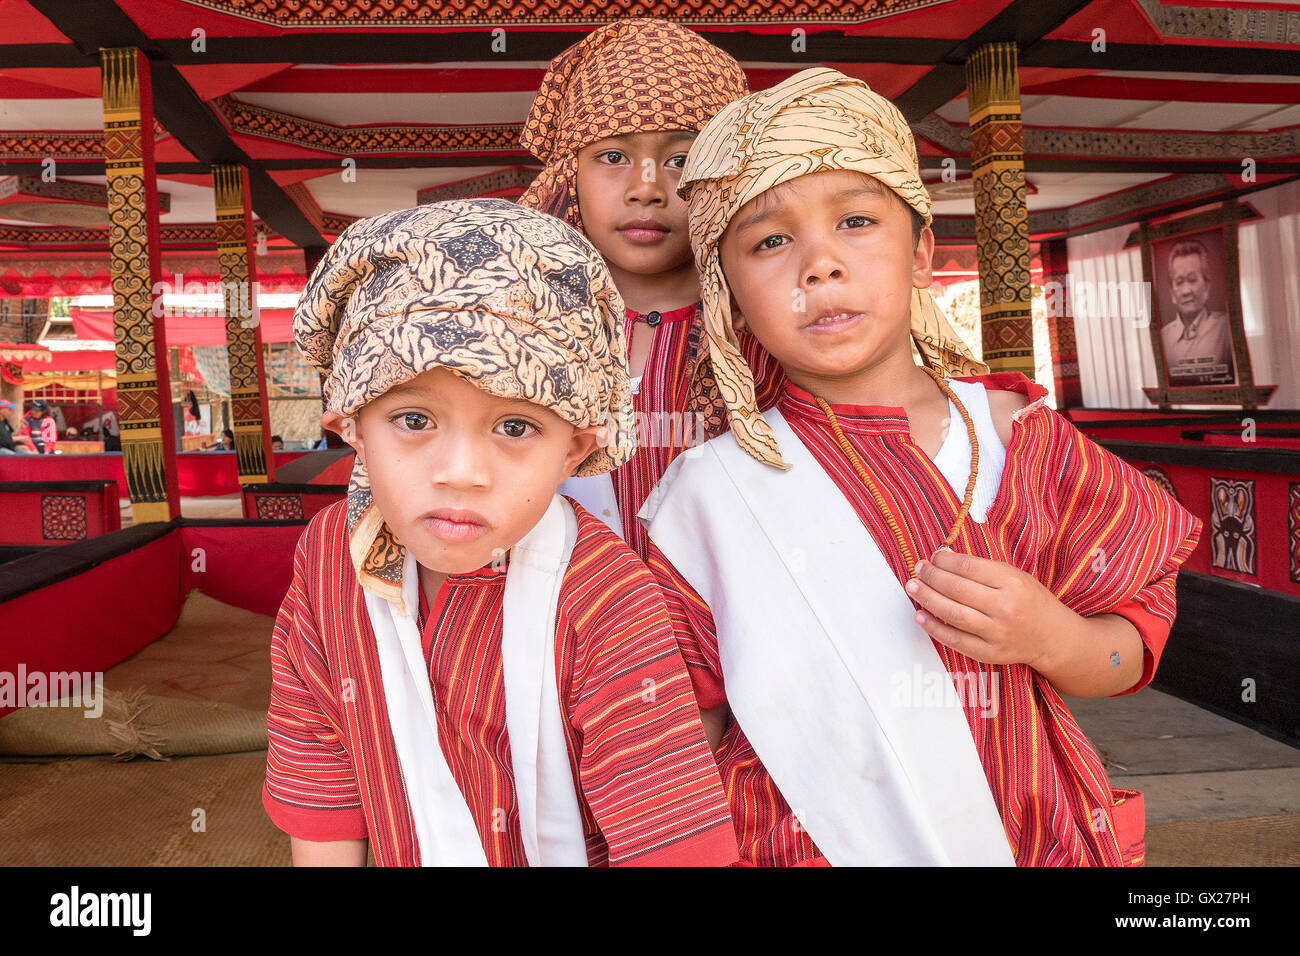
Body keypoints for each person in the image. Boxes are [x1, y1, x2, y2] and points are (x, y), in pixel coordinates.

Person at [640, 69, 1203, 867]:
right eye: (769, 241)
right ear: (728, 296)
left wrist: (1051, 636)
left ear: (921, 254)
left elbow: (1128, 653)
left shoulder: (1019, 439)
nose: (820, 265)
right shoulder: (708, 494)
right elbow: (686, 730)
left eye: (856, 221)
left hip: (1028, 839)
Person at [264, 200, 737, 867]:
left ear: (575, 450)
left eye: (515, 427)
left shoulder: (606, 598)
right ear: (352, 427)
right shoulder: (326, 561)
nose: (461, 473)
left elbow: (666, 840)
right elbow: (320, 765)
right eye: (414, 420)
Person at [515, 18, 783, 559]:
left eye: (681, 160)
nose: (646, 189)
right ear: (569, 175)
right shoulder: (516, 331)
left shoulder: (772, 333)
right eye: (612, 156)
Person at [1160, 239, 1236, 386]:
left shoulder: (1226, 329)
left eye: (1192, 280)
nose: (1186, 291)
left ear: (1207, 286)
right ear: (1172, 293)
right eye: (1179, 282)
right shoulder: (1163, 337)